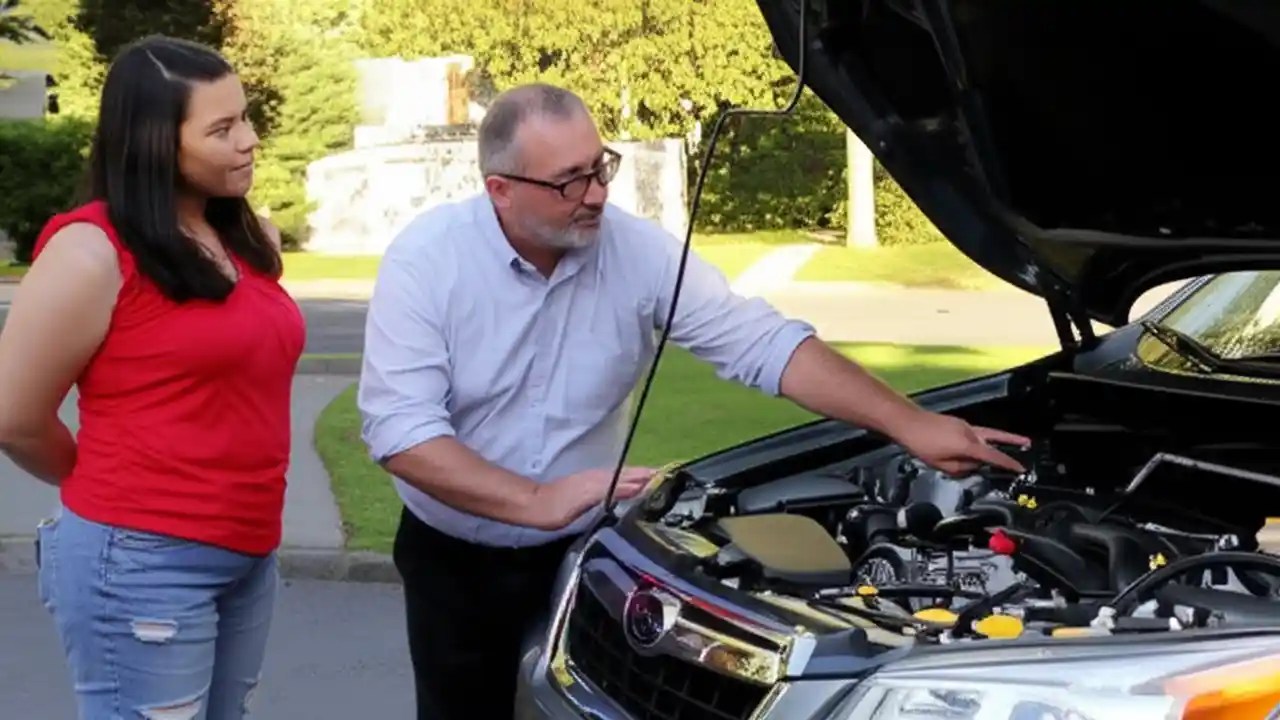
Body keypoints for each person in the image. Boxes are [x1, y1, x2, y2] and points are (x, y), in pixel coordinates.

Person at [357, 82, 1030, 720]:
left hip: (581, 554)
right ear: (500, 190)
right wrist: (534, 500)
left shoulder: (638, 252)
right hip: (454, 564)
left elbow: (760, 343)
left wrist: (908, 424)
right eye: (570, 181)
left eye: (601, 168)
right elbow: (402, 433)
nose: (595, 195)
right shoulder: (427, 261)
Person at [0, 35, 304, 720]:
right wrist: (122, 482)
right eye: (222, 129)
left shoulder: (246, 236)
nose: (250, 140)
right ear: (154, 143)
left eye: (246, 117)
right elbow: (14, 418)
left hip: (249, 550)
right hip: (140, 560)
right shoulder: (89, 252)